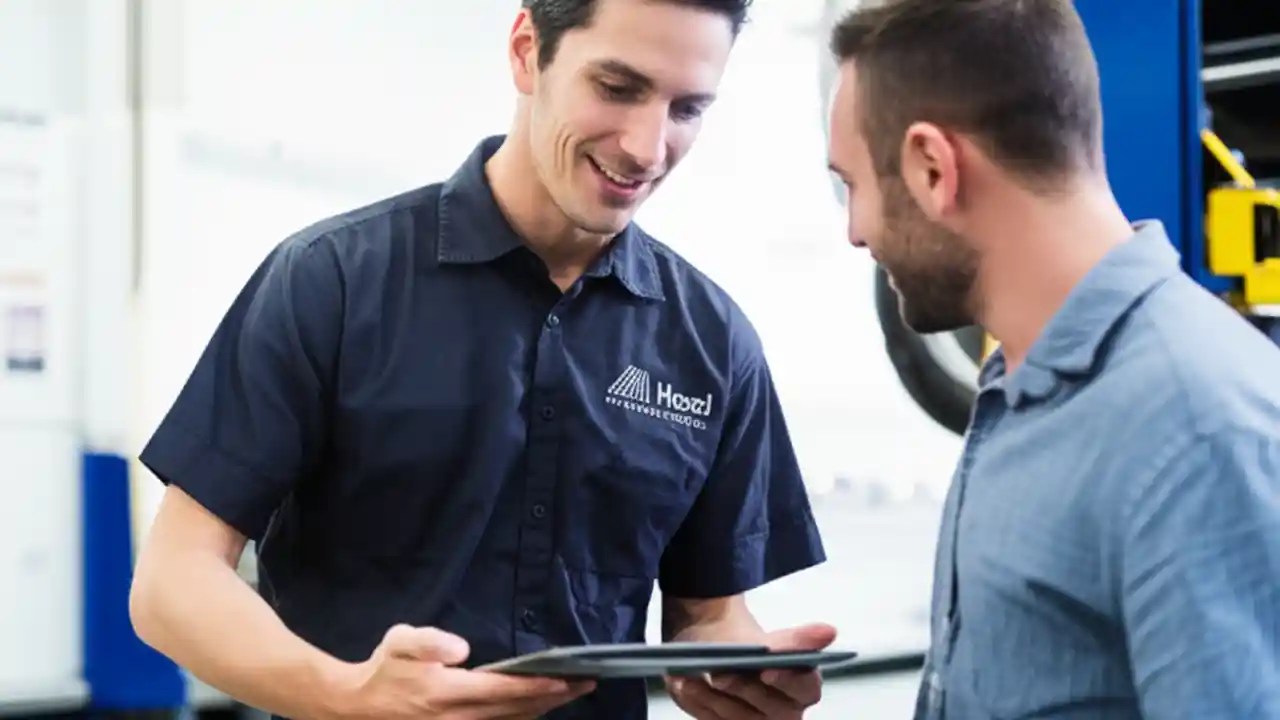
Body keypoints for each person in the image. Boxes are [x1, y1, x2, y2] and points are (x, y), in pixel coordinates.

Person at [128, 1, 835, 719]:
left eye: (687, 108)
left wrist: (731, 670)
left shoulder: (713, 343)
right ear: (528, 51)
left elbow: (708, 614)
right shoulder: (332, 282)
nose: (648, 148)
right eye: (617, 88)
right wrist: (349, 697)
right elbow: (172, 584)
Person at [825, 0, 1280, 718]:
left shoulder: (1194, 430)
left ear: (931, 167)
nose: (855, 231)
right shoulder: (1022, 391)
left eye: (853, 186)